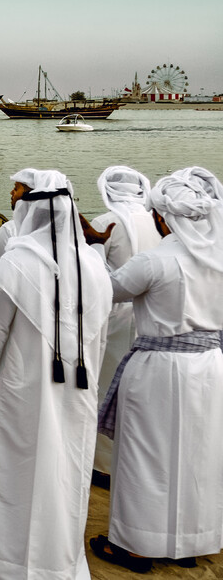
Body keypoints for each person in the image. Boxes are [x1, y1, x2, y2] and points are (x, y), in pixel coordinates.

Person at [0, 169, 112, 578]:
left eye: (17, 193)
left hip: (24, 391)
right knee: (68, 474)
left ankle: (8, 566)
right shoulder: (95, 266)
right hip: (79, 392)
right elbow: (96, 339)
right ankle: (61, 565)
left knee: (19, 475)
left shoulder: (16, 265)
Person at [92, 174, 223, 573]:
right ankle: (189, 542)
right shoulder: (219, 258)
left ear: (164, 219)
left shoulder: (155, 261)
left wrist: (96, 249)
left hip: (159, 368)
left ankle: (135, 546)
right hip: (210, 367)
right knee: (200, 456)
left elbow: (105, 291)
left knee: (146, 457)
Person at [89, 166, 160, 485]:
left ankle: (104, 465)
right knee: (142, 389)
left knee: (107, 384)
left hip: (114, 313)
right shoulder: (157, 221)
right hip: (151, 313)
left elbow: (93, 272)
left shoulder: (105, 222)